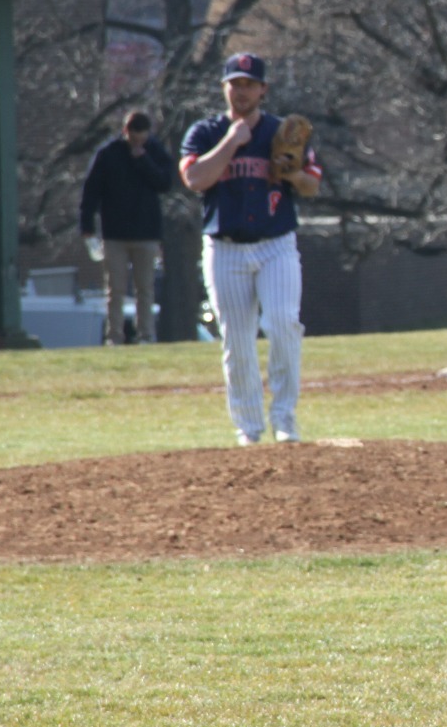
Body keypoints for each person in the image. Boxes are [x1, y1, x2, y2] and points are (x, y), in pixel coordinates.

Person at [179, 54, 321, 445]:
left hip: (276, 246)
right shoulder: (205, 133)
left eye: (248, 84)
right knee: (237, 340)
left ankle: (285, 419)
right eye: (234, 83)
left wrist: (290, 172)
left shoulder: (280, 132)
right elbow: (194, 178)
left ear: (263, 90)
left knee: (283, 324)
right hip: (225, 249)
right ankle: (248, 427)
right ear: (224, 88)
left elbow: (312, 184)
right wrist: (232, 141)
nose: (241, 91)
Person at [79, 111, 174, 345]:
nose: (138, 142)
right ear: (125, 132)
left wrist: (143, 160)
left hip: (147, 233)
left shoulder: (155, 151)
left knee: (145, 289)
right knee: (116, 290)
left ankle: (146, 335)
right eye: (134, 138)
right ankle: (114, 337)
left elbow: (164, 183)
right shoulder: (108, 154)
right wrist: (87, 228)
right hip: (115, 234)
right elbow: (91, 192)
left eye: (142, 138)